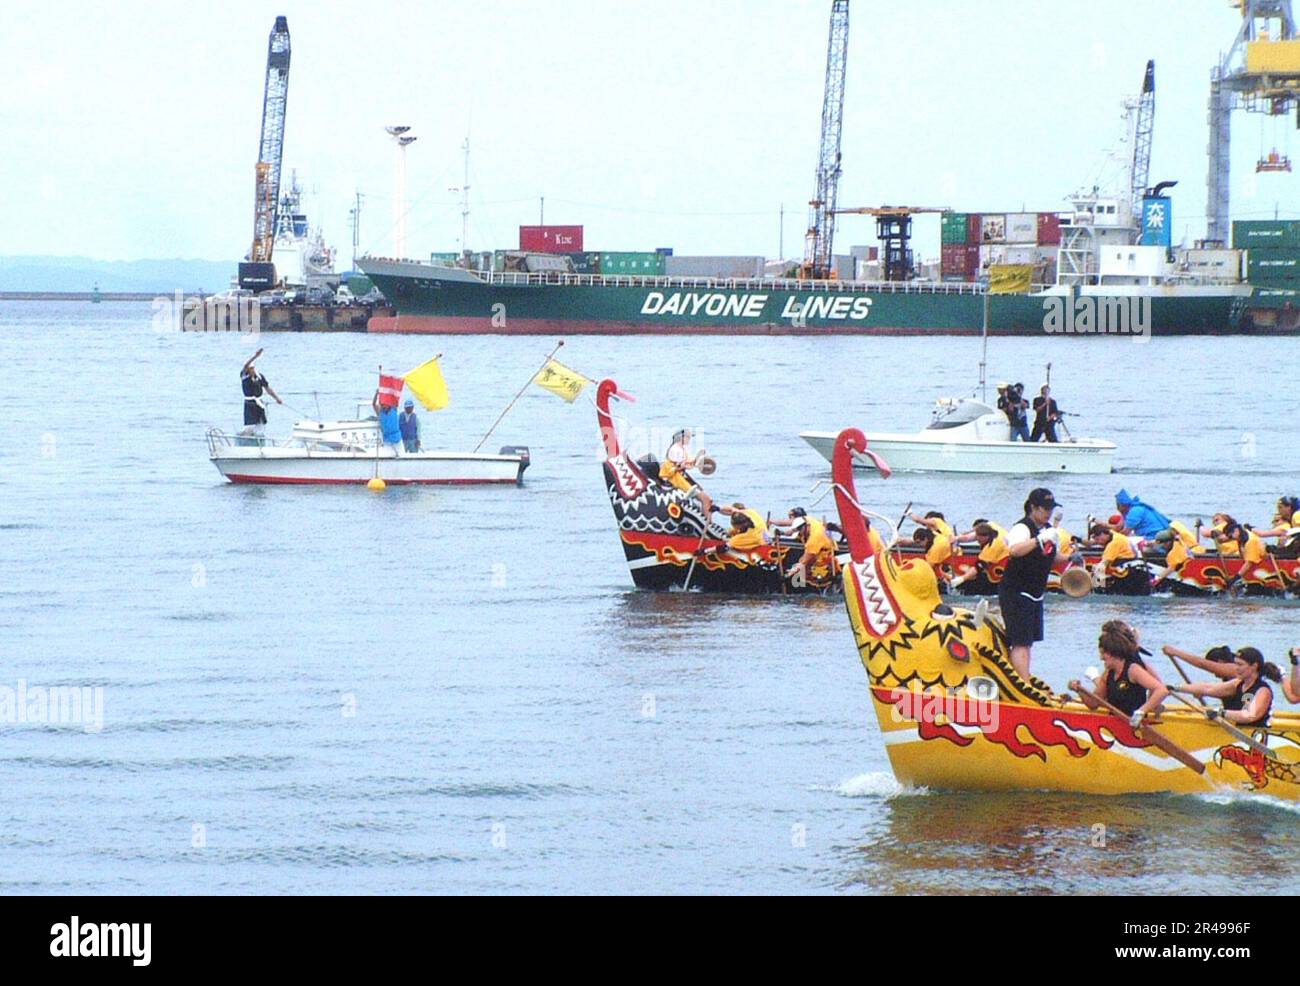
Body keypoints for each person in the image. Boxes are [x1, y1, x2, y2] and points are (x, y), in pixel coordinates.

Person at [1000, 487, 1061, 679]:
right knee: (1020, 643)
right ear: (1033, 508)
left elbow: (1051, 555)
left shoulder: (1048, 530)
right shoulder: (1022, 528)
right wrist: (1038, 540)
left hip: (1035, 592)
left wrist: (1071, 558)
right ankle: (1023, 683)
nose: (1049, 512)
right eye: (1045, 508)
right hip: (1016, 592)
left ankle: (1024, 677)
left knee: (1028, 643)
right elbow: (1015, 550)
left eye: (1051, 508)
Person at [1072, 620, 1168, 726]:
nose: (1101, 658)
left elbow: (1162, 690)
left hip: (1134, 726)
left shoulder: (1133, 670)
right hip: (1114, 725)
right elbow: (1093, 704)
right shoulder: (1108, 673)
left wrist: (1142, 711)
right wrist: (1079, 690)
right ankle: (1094, 677)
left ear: (1113, 652)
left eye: (1103, 654)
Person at [1170, 647, 1280, 727]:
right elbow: (1209, 689)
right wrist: (1176, 687)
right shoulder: (1238, 683)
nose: (1236, 668)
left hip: (1258, 736)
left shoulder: (1263, 690)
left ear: (1254, 666)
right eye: (1236, 664)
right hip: (1239, 733)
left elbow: (1249, 715)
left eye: (1240, 665)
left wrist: (1221, 712)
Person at [660, 428, 714, 514]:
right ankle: (707, 520)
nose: (689, 439)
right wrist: (691, 463)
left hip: (682, 477)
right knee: (705, 499)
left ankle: (706, 517)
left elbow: (688, 464)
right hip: (676, 479)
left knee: (707, 499)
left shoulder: (682, 449)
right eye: (687, 437)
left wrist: (697, 459)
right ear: (681, 438)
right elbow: (679, 466)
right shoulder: (675, 449)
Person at [949, 522, 1009, 592]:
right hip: (995, 562)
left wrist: (961, 579)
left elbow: (978, 567)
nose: (977, 541)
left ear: (986, 537)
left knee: (970, 582)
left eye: (979, 540)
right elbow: (968, 538)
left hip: (1000, 572)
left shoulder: (992, 546)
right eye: (976, 538)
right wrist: (956, 538)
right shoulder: (990, 528)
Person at [785, 512, 839, 586]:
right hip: (823, 543)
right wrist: (783, 533)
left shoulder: (814, 540)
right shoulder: (807, 519)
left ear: (806, 526)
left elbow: (804, 561)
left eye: (800, 531)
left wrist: (790, 573)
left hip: (826, 552)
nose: (800, 533)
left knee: (808, 567)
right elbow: (792, 530)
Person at [241, 348, 283, 436]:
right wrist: (255, 356)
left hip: (259, 403)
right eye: (249, 369)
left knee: (261, 425)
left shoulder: (259, 376)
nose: (251, 370)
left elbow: (267, 388)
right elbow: (245, 366)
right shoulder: (244, 376)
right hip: (250, 404)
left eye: (252, 368)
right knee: (250, 426)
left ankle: (259, 440)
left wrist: (277, 398)